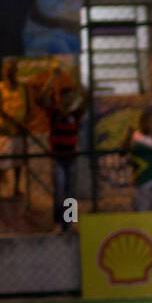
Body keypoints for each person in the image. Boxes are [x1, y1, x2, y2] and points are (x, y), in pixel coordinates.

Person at [46, 86, 83, 233]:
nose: (68, 100)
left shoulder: (75, 115)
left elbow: (84, 98)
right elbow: (43, 98)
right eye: (65, 97)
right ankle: (58, 223)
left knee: (71, 192)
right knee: (59, 191)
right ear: (60, 99)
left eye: (70, 97)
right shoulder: (55, 114)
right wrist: (52, 82)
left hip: (71, 157)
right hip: (58, 158)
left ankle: (70, 223)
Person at [0, 60, 28, 198]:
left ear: (15, 72)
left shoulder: (22, 88)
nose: (9, 73)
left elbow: (27, 106)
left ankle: (16, 188)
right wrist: (13, 122)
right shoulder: (0, 88)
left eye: (11, 70)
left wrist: (24, 123)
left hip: (19, 130)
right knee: (1, 161)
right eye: (7, 70)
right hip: (5, 130)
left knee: (18, 161)